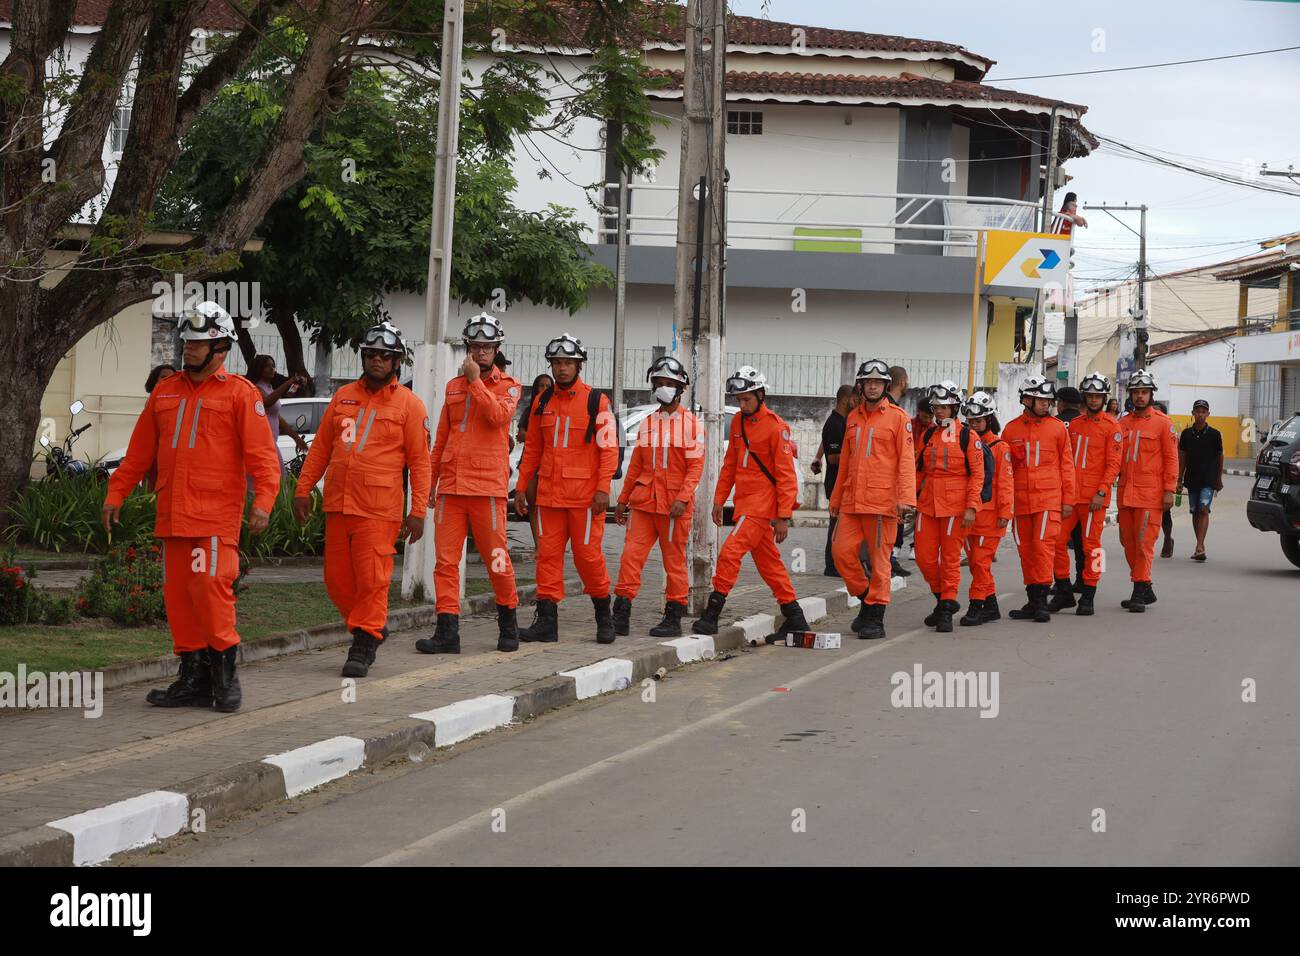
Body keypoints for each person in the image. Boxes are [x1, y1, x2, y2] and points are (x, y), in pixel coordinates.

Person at [103, 302, 282, 712]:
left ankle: (225, 675)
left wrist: (264, 503)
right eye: (188, 341)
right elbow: (138, 453)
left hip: (214, 518)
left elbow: (263, 459)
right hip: (172, 515)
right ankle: (192, 679)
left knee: (209, 589)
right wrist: (116, 494)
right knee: (179, 596)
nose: (189, 348)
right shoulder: (165, 392)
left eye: (199, 343)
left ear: (220, 347)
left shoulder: (241, 394)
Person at [292, 322, 431, 676]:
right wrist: (302, 488)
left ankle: (364, 642)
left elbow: (419, 462)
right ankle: (370, 624)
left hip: (379, 509)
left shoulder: (409, 406)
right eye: (370, 354)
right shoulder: (344, 397)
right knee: (337, 581)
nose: (376, 361)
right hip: (339, 504)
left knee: (372, 580)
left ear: (396, 361)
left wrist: (417, 511)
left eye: (384, 356)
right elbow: (321, 448)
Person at [415, 313, 522, 655]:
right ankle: (448, 632)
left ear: (496, 349)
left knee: (496, 558)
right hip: (451, 487)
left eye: (486, 347)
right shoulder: (452, 387)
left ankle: (508, 622)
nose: (480, 353)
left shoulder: (509, 386)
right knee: (445, 562)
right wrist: (430, 483)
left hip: (487, 488)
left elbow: (498, 418)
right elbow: (442, 437)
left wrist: (476, 382)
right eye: (474, 347)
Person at [691, 366, 811, 638]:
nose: (742, 404)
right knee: (771, 566)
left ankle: (712, 615)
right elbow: (730, 465)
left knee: (730, 554)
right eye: (739, 400)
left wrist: (783, 516)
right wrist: (719, 500)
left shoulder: (775, 427)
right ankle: (796, 618)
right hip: (745, 504)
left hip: (761, 507)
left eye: (747, 399)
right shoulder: (738, 425)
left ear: (760, 394)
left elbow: (785, 475)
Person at [514, 333, 619, 644]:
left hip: (585, 500)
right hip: (547, 497)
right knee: (546, 557)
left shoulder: (596, 401)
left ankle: (604, 615)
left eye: (568, 363)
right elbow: (532, 447)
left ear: (579, 365)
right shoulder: (541, 402)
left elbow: (609, 448)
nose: (562, 369)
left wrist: (603, 490)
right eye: (557, 363)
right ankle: (546, 622)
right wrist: (521, 488)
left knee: (588, 558)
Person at [612, 356, 704, 637]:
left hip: (674, 507)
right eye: (659, 383)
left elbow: (695, 467)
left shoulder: (691, 425)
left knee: (674, 562)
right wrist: (623, 499)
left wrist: (683, 497)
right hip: (643, 504)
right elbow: (637, 465)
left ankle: (673, 617)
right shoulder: (648, 423)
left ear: (680, 388)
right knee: (630, 557)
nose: (663, 387)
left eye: (669, 383)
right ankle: (621, 613)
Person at [829, 358, 916, 640]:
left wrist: (906, 499)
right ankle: (867, 598)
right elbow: (845, 460)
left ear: (886, 386)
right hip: (853, 501)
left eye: (878, 382)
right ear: (861, 386)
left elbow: (906, 462)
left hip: (883, 504)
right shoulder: (853, 417)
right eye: (868, 382)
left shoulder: (899, 418)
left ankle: (875, 617)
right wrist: (836, 496)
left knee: (880, 562)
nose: (873, 386)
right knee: (841, 553)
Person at [1001, 375, 1076, 623]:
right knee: (1026, 551)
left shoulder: (1057, 428)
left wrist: (1068, 501)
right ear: (1026, 400)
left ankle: (1043, 599)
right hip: (1020, 502)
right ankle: (1032, 599)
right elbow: (1005, 470)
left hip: (1048, 500)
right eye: (1040, 400)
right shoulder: (1011, 430)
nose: (1046, 404)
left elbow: (1067, 466)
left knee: (1043, 549)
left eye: (1048, 400)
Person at [913, 381, 984, 633]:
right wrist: (909, 500)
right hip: (927, 504)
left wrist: (971, 507)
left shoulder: (968, 436)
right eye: (936, 407)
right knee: (924, 558)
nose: (939, 411)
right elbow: (918, 471)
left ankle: (944, 609)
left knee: (951, 560)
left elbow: (977, 475)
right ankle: (944, 599)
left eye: (944, 406)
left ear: (955, 406)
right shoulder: (928, 435)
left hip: (956, 507)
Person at [1047, 372, 1121, 616]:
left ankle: (1089, 592)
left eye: (1097, 396)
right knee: (1056, 542)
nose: (1093, 400)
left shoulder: (1112, 426)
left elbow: (1113, 464)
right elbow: (1065, 461)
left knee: (1093, 547)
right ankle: (1065, 590)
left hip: (1093, 499)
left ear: (1103, 398)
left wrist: (1102, 492)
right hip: (1070, 497)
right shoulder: (1074, 425)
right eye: (1089, 395)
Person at [1116, 370, 1178, 612]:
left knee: (1144, 544)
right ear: (1131, 395)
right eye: (1136, 392)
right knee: (1128, 543)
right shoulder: (1122, 424)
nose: (1140, 397)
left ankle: (1138, 591)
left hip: (1150, 495)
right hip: (1125, 494)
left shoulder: (1164, 424)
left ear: (1151, 395)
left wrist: (1169, 490)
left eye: (1144, 392)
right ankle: (1145, 586)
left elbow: (1171, 459)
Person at [958, 393, 1013, 626]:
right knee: (975, 564)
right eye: (971, 422)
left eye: (979, 421)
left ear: (989, 420)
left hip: (991, 517)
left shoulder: (1000, 448)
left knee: (980, 563)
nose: (974, 426)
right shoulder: (966, 444)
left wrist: (1005, 513)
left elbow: (1006, 483)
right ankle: (991, 606)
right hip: (970, 515)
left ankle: (976, 605)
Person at [811, 385, 854, 576]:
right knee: (835, 525)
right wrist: (856, 454)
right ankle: (831, 565)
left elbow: (824, 444)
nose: (858, 401)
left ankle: (839, 563)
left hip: (842, 482)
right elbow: (834, 457)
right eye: (855, 398)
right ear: (845, 399)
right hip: (835, 482)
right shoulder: (835, 424)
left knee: (842, 526)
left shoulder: (844, 421)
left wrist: (817, 456)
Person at [1177, 399, 1223, 562]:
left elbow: (1219, 456)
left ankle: (1199, 546)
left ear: (1208, 414)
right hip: (1192, 478)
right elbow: (1182, 457)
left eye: (1203, 411)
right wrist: (1179, 479)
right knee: (1195, 511)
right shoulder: (1186, 434)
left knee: (1203, 509)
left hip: (1209, 479)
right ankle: (1199, 545)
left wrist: (1218, 479)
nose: (1200, 414)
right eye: (1198, 411)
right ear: (1193, 413)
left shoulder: (1215, 434)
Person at [515, 373, 555, 547]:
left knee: (549, 506)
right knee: (533, 505)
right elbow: (521, 435)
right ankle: (538, 545)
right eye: (541, 386)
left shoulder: (556, 408)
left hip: (550, 461)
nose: (544, 389)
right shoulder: (530, 409)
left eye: (548, 386)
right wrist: (537, 436)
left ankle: (549, 544)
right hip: (531, 461)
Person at [247, 354, 310, 460]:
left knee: (277, 474)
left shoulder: (269, 388)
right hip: (262, 441)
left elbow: (277, 418)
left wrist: (297, 438)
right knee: (277, 473)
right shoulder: (256, 388)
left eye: (273, 366)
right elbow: (267, 402)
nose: (272, 369)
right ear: (259, 369)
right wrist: (288, 383)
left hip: (270, 441)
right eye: (268, 366)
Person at [885, 365, 913, 578]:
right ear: (902, 382)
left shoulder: (893, 410)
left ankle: (889, 561)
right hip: (885, 483)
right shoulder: (892, 411)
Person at [1152, 400, 1176, 557]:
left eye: (1158, 412)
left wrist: (1171, 485)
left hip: (1162, 479)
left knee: (1165, 514)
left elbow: (1173, 459)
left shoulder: (1168, 432)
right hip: (1146, 480)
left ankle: (1167, 538)